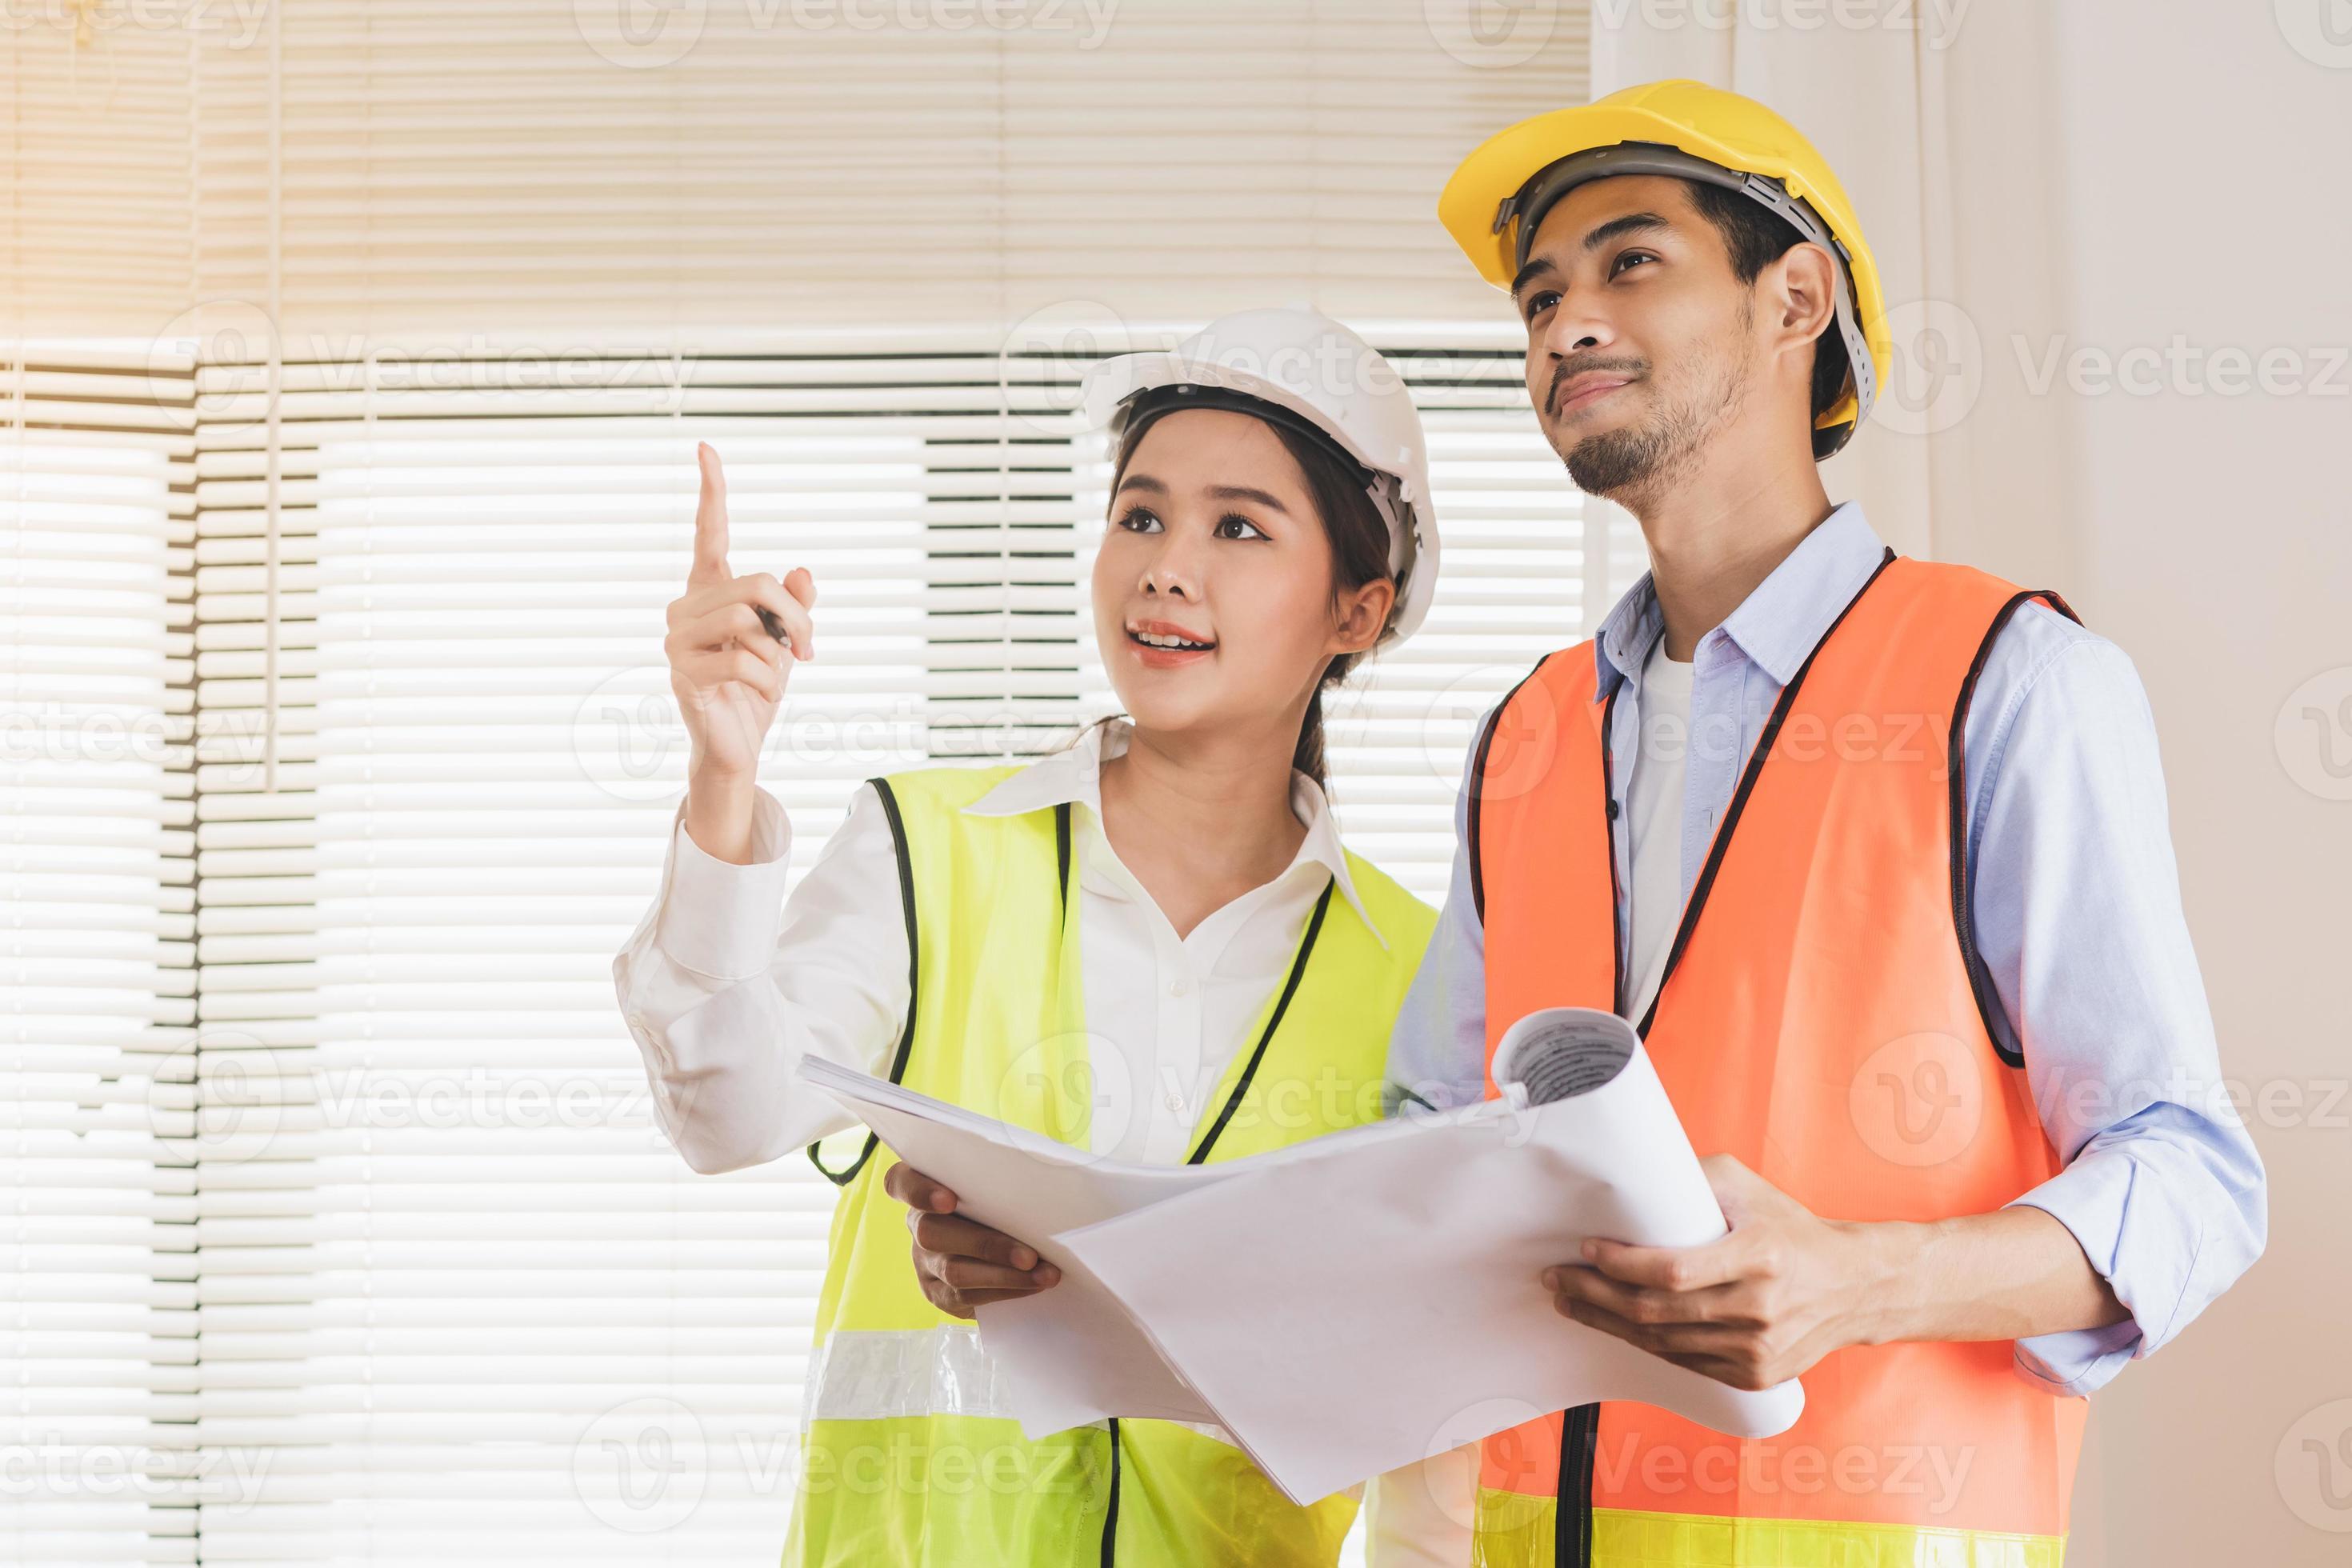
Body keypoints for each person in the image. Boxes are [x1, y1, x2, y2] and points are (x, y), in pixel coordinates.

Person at [1386, 79, 2268, 1566]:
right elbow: (1419, 1154)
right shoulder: (1525, 738)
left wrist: (1865, 1281)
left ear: (1794, 296)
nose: (1566, 325)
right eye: (1540, 297)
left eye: (1629, 263)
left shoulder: (2013, 684)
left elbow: (2192, 1176)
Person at [613, 307, 1477, 1565]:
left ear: (1358, 610)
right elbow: (725, 1112)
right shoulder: (927, 849)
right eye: (1141, 515)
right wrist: (723, 780)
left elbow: (1424, 1404)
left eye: (1239, 526)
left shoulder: (1421, 968)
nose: (1166, 568)